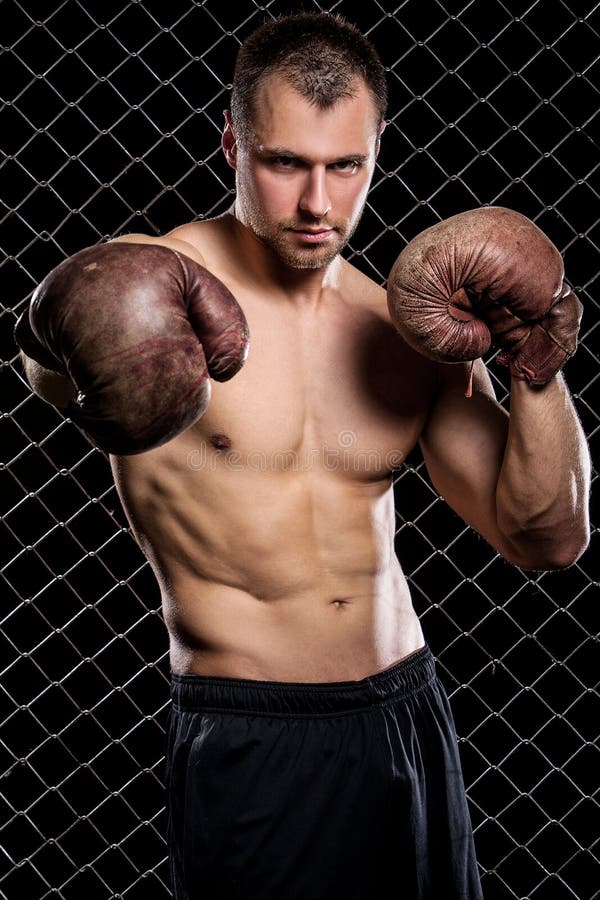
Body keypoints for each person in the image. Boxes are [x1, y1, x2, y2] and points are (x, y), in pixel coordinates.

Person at [16, 12, 590, 900]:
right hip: (255, 736)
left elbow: (544, 537)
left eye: (345, 166)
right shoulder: (154, 288)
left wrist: (539, 369)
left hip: (407, 715)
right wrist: (57, 342)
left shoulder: (408, 328)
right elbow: (52, 367)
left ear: (376, 153)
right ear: (232, 145)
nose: (318, 204)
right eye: (285, 164)